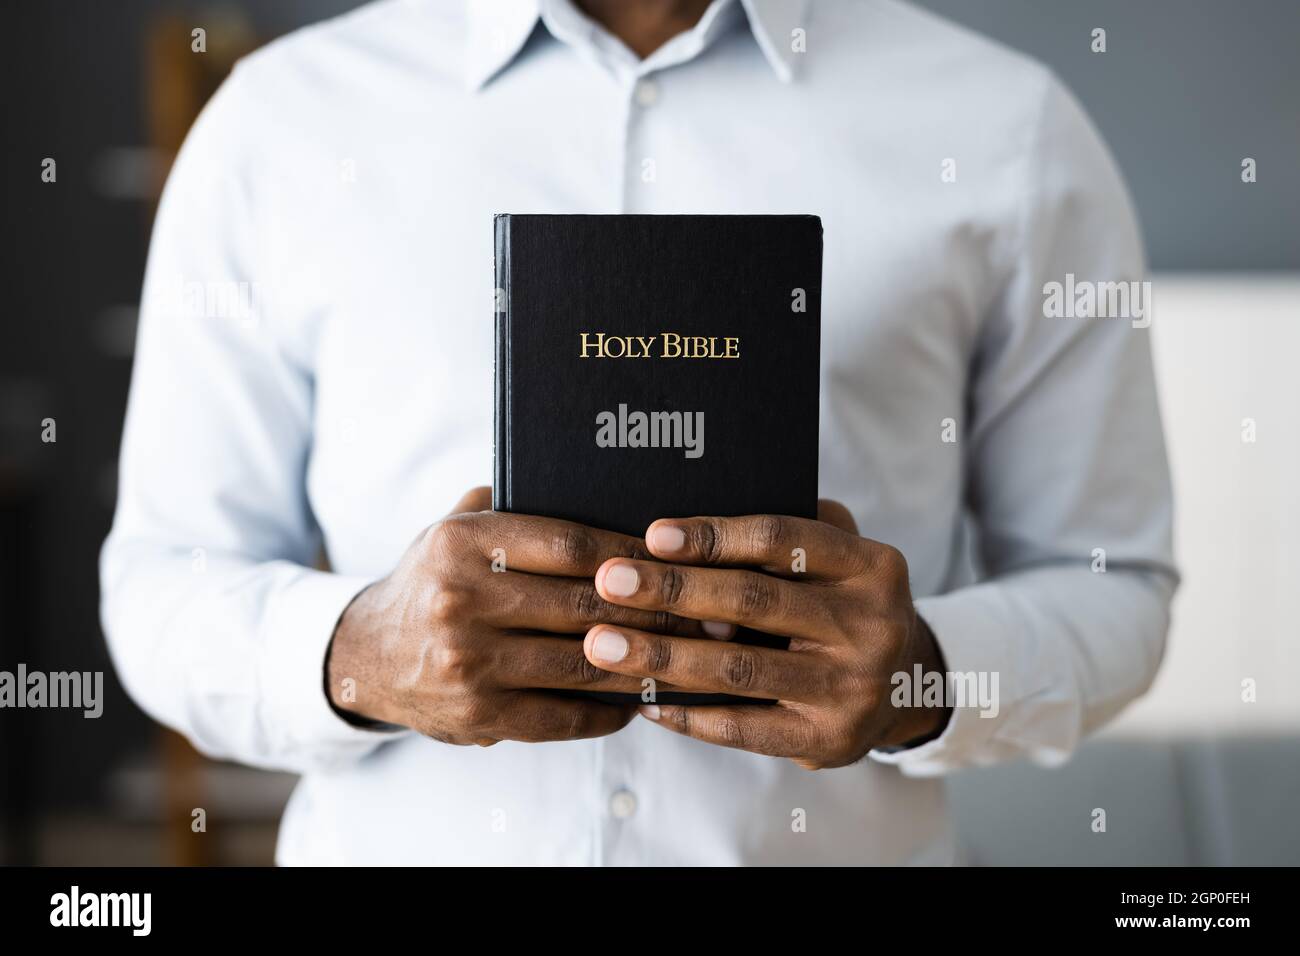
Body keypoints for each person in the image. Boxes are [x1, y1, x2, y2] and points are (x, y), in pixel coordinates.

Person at [101, 0, 1177, 865]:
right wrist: (357, 653)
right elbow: (161, 581)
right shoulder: (282, 121)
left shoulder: (1005, 127)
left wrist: (924, 678)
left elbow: (1113, 581)